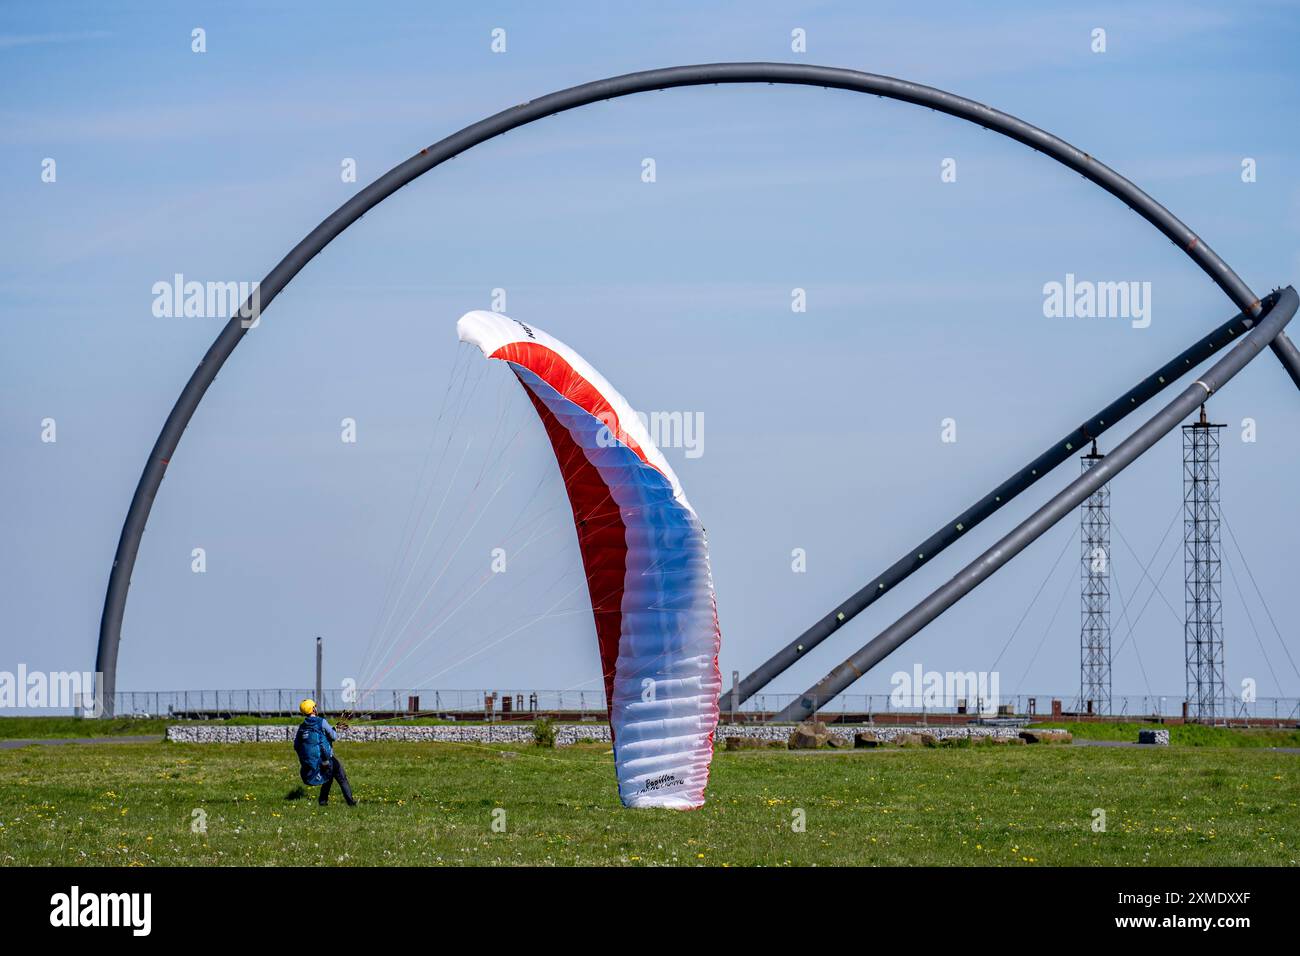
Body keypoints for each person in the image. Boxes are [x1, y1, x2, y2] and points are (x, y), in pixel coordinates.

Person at [293, 699, 357, 806]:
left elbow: (296, 745)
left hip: (315, 762)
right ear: (313, 709)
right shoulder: (321, 721)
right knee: (341, 777)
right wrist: (334, 730)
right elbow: (333, 736)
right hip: (326, 759)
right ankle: (351, 802)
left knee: (329, 777)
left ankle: (323, 802)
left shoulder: (303, 726)